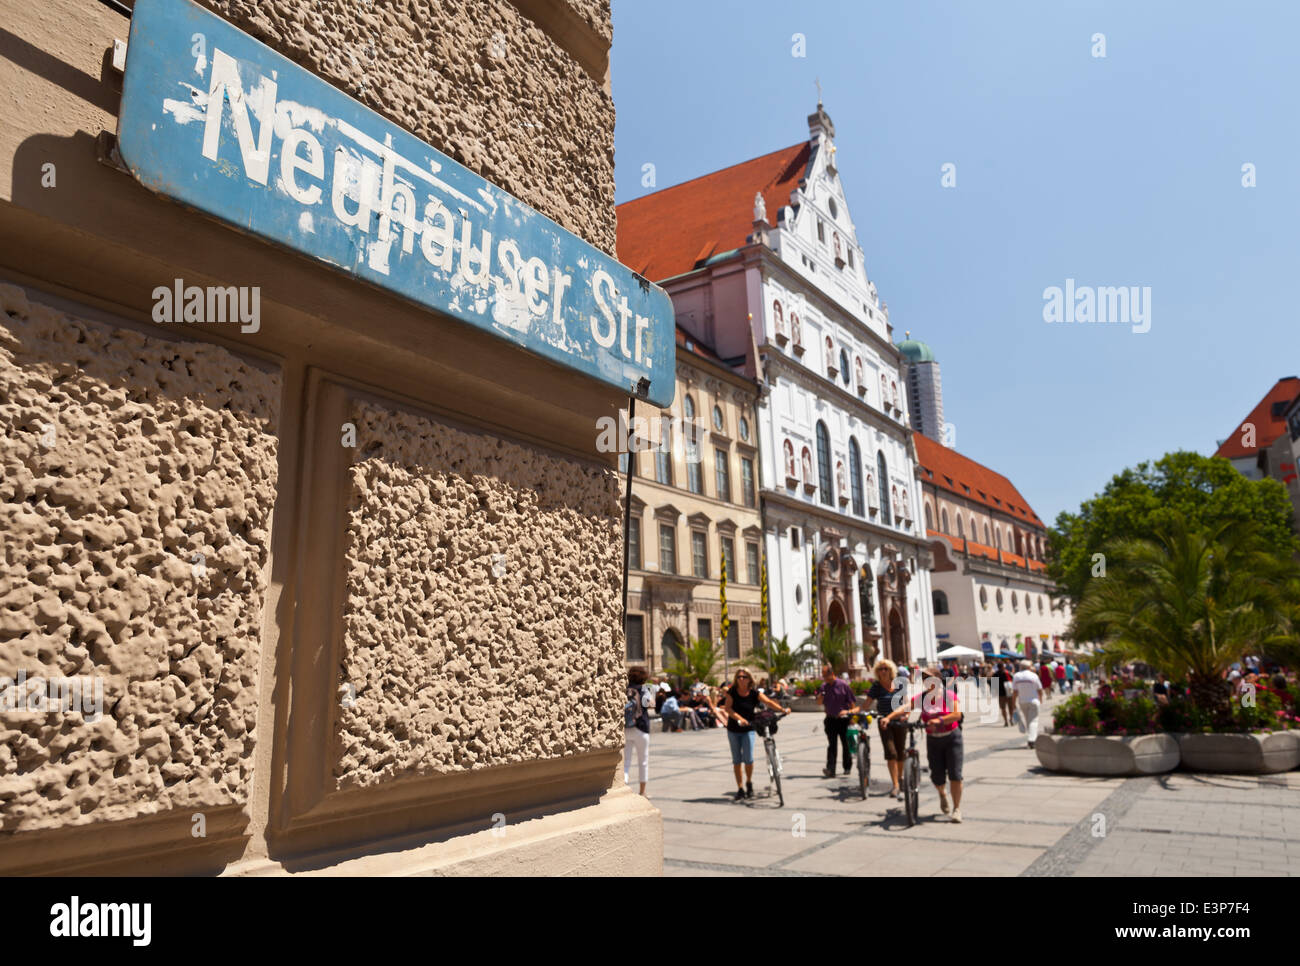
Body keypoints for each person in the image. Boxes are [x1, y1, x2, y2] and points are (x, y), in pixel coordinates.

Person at [886, 667, 964, 822]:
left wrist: (940, 720)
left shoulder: (949, 695)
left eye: (928, 677)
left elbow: (957, 714)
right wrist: (888, 718)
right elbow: (904, 708)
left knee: (955, 774)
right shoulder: (922, 697)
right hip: (933, 740)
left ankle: (956, 809)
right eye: (923, 678)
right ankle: (942, 794)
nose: (926, 681)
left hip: (952, 738)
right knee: (937, 776)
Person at [723, 668, 788, 800]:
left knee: (748, 759)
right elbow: (727, 708)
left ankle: (749, 783)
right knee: (736, 760)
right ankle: (740, 788)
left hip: (749, 729)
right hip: (734, 730)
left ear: (749, 679)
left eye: (744, 677)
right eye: (739, 677)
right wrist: (739, 718)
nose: (741, 679)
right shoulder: (732, 692)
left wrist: (783, 709)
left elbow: (768, 702)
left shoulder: (754, 693)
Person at [866, 658, 908, 798]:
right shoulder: (876, 686)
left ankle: (900, 777)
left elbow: (906, 703)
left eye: (886, 669)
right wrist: (851, 712)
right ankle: (895, 785)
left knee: (901, 754)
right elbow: (866, 704)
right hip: (884, 722)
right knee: (891, 753)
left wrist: (906, 715)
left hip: (900, 721)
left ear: (891, 670)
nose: (883, 671)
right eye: (880, 669)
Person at [816, 663, 859, 777]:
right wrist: (820, 696)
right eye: (823, 676)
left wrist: (852, 717)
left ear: (832, 674)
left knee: (845, 744)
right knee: (832, 745)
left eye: (825, 675)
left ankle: (847, 767)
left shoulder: (843, 685)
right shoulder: (824, 687)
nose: (824, 678)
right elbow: (819, 703)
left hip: (844, 719)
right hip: (830, 719)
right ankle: (831, 769)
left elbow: (852, 702)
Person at [624, 666, 652, 795]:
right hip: (641, 728)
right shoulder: (645, 689)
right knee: (643, 761)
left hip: (626, 727)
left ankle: (623, 789)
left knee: (626, 761)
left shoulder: (625, 689)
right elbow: (650, 705)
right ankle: (642, 792)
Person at [1014, 660, 1046, 748]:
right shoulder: (1033, 676)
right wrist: (1041, 699)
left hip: (1022, 701)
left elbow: (1015, 691)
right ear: (1029, 667)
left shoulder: (1016, 676)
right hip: (1033, 701)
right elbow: (1039, 689)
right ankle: (1032, 740)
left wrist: (1013, 703)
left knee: (1028, 720)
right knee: (1033, 721)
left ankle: (1031, 737)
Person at [994, 661, 1015, 726]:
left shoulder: (995, 674)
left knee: (1003, 708)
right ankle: (1011, 719)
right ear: (1003, 666)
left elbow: (994, 685)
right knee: (1011, 707)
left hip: (1001, 694)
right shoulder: (1007, 673)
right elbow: (1013, 680)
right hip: (1009, 692)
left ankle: (1006, 721)